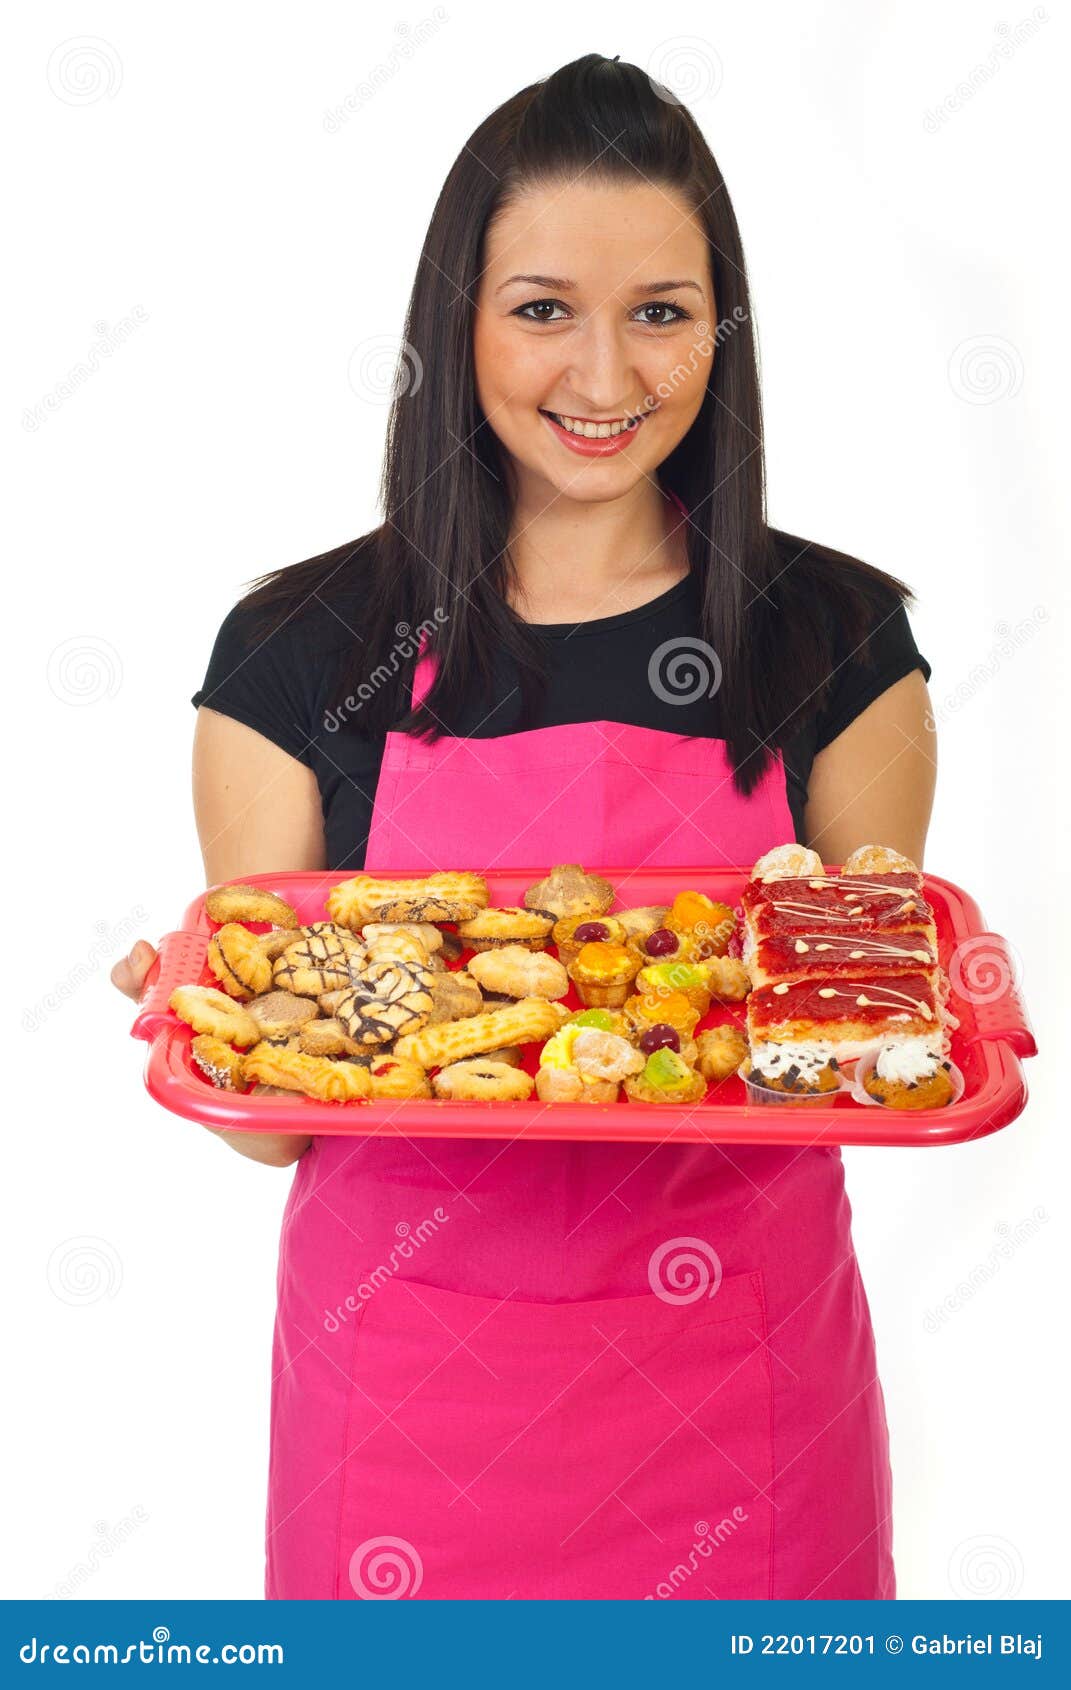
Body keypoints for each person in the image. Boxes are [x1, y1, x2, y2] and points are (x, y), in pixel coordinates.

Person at [114, 55, 935, 1599]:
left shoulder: (834, 637)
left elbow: (856, 1061)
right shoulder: (300, 648)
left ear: (724, 331)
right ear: (457, 326)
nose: (607, 375)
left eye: (664, 312)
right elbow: (282, 1114)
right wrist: (206, 1019)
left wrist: (929, 1016)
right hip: (410, 1413)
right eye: (544, 307)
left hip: (739, 1402)